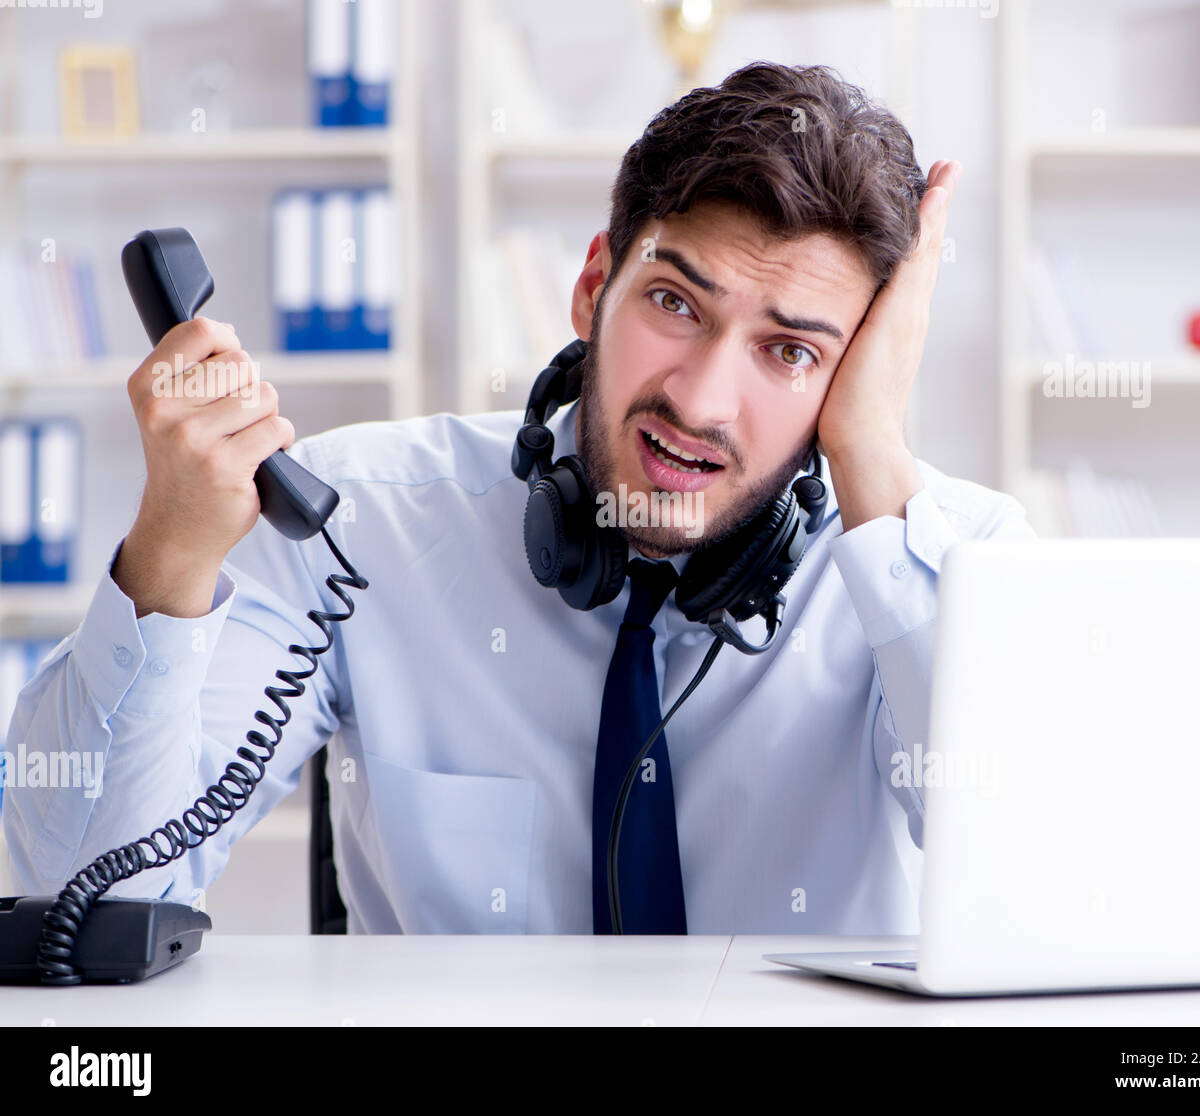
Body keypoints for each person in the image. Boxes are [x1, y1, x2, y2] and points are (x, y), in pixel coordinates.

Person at [2, 61, 1033, 935]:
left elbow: (1033, 884)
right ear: (593, 287)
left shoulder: (950, 563)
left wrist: (871, 458)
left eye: (790, 351)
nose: (700, 397)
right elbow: (80, 901)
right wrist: (173, 553)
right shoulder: (359, 520)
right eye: (674, 303)